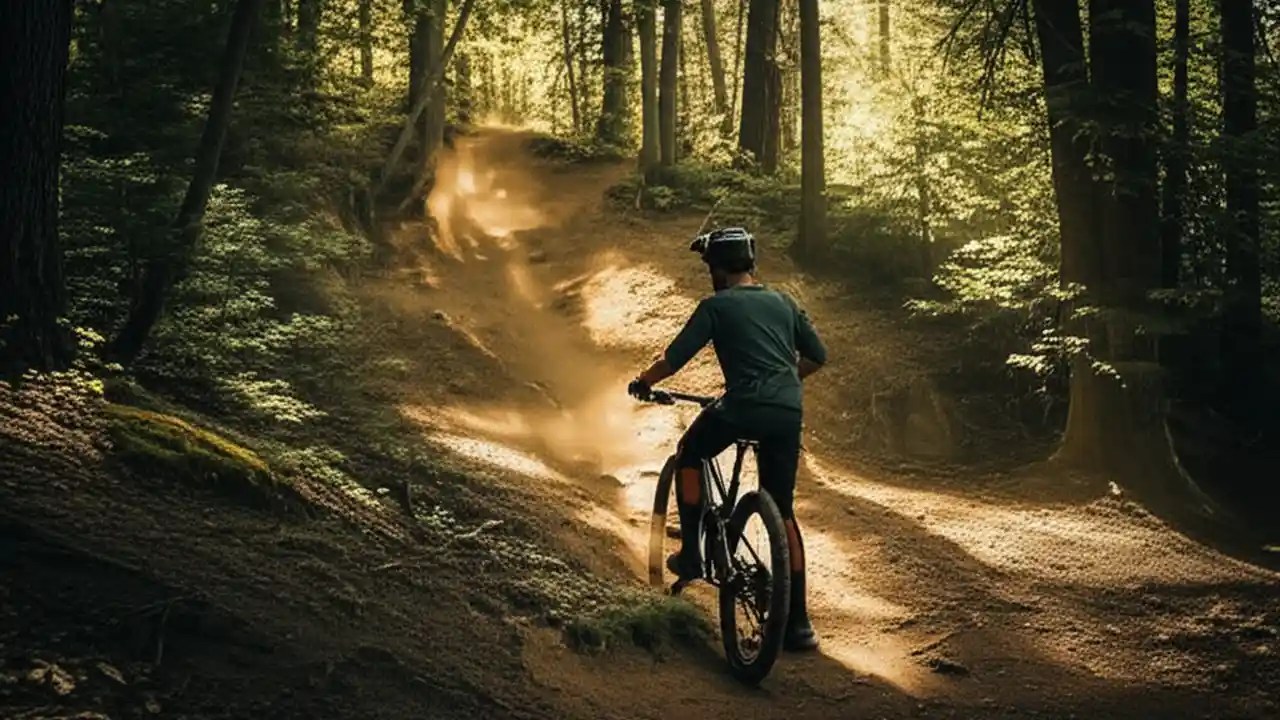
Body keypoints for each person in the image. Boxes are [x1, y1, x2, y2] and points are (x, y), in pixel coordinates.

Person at [627, 226, 827, 652]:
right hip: (787, 413)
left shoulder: (716, 307)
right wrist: (787, 380)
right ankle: (799, 623)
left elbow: (673, 359)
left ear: (718, 268)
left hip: (740, 408)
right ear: (751, 264)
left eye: (709, 267)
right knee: (784, 509)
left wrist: (643, 381)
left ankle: (694, 557)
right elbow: (818, 356)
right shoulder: (785, 302)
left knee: (689, 452)